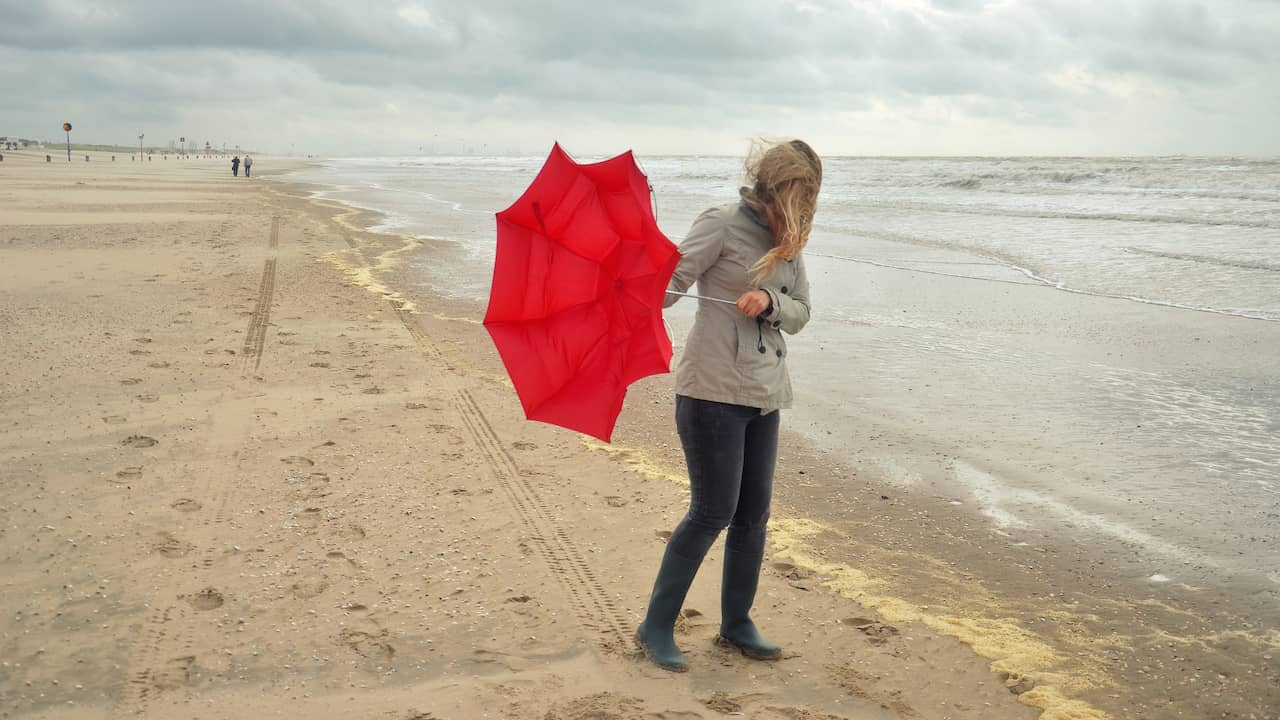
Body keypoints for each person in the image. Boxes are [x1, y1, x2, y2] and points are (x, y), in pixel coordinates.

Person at [636, 139, 821, 672]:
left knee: (752, 518)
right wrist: (641, 265)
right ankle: (655, 626)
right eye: (798, 193)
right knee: (712, 511)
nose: (804, 206)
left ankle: (736, 624)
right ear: (775, 185)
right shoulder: (720, 222)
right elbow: (667, 289)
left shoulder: (789, 239)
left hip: (765, 394)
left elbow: (803, 311)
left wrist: (770, 302)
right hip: (712, 390)